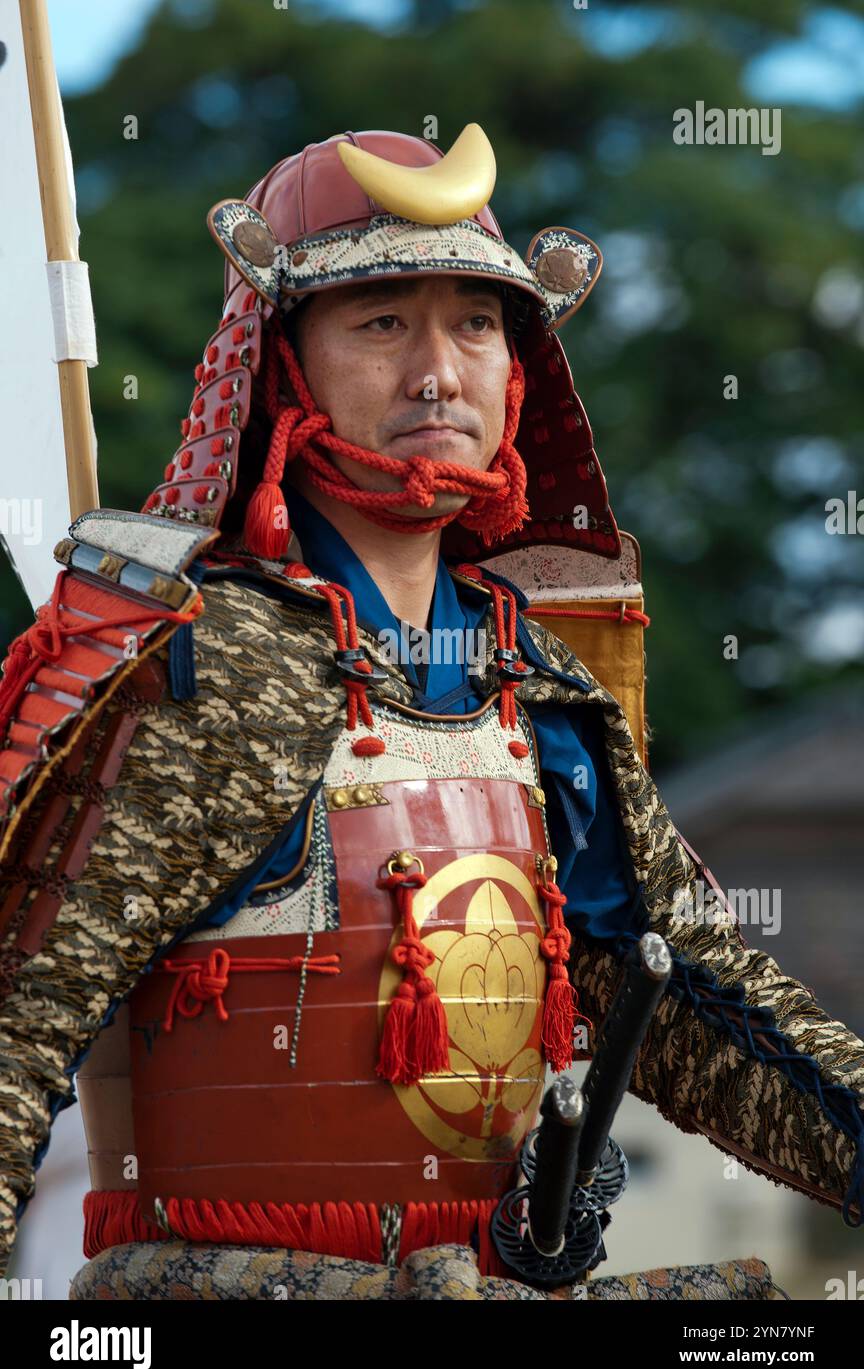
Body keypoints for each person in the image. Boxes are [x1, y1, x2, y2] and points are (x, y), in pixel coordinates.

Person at [0, 125, 861, 1303]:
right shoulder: (201, 665)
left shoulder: (542, 686)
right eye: (381, 321)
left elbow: (701, 1006)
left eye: (475, 322)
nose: (438, 373)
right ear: (283, 365)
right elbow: (14, 1032)